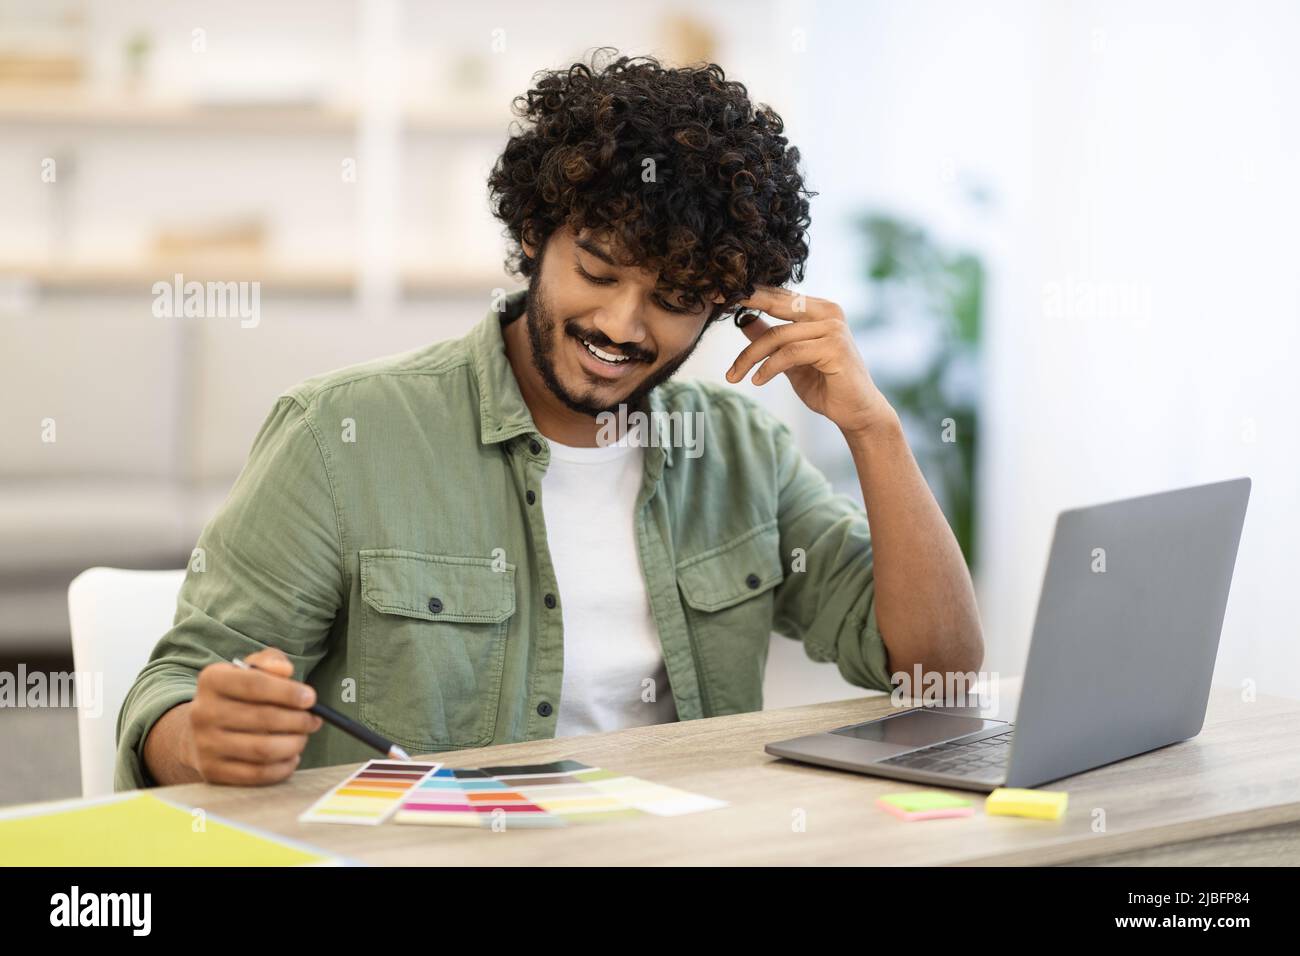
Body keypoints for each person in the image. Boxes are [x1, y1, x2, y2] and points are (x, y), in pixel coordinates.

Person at [116, 50, 982, 790]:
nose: (620, 325)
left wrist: (874, 430)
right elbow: (172, 695)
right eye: (597, 272)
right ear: (535, 234)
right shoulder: (340, 434)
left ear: (724, 305)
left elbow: (935, 679)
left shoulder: (740, 451)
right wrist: (207, 736)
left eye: (675, 299)